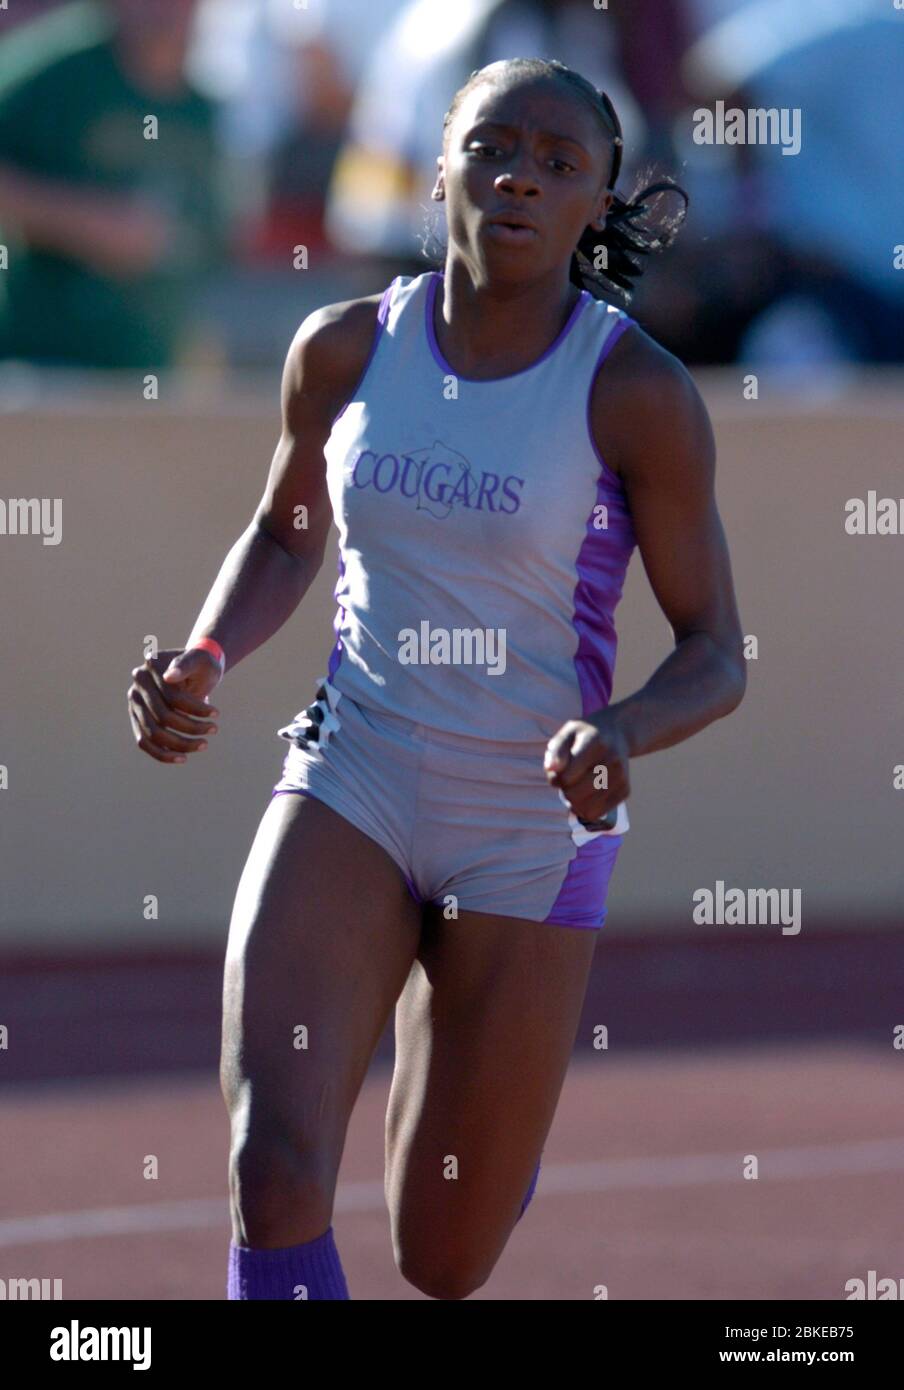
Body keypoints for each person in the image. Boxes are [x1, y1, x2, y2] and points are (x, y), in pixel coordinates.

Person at [126, 57, 746, 1300]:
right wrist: (203, 654)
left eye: (557, 164)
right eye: (491, 148)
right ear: (439, 166)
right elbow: (287, 533)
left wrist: (620, 732)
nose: (518, 177)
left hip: (526, 827)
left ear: (597, 203)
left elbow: (715, 651)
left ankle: (468, 1048)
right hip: (350, 777)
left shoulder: (632, 392)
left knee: (444, 1257)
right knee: (272, 1168)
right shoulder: (345, 346)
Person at [0, 0, 222, 369]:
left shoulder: (201, 107)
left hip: (147, 371)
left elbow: (213, 239)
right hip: (41, 364)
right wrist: (83, 222)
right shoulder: (56, 72)